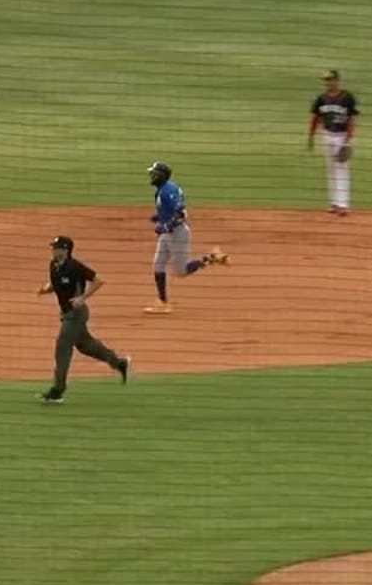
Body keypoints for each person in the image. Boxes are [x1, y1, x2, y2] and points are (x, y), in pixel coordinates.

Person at [36, 236, 129, 404]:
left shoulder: (74, 267)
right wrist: (46, 290)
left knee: (62, 348)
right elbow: (55, 284)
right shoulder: (54, 265)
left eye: (56, 247)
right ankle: (118, 363)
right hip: (67, 314)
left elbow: (98, 281)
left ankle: (58, 391)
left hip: (76, 314)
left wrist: (83, 298)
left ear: (65, 249)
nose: (53, 250)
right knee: (86, 345)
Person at [144, 161, 229, 315]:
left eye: (154, 173)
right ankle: (162, 302)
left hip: (178, 234)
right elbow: (171, 211)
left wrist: (166, 226)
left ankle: (211, 257)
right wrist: (160, 218)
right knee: (158, 265)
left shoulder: (167, 192)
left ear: (160, 176)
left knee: (181, 272)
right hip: (169, 234)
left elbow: (180, 214)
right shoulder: (163, 189)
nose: (151, 175)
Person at [307, 70, 359, 216]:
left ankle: (343, 205)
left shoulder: (347, 97)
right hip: (327, 135)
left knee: (341, 169)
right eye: (326, 80)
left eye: (330, 80)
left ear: (337, 80)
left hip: (341, 136)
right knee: (330, 170)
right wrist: (311, 136)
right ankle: (334, 203)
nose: (328, 83)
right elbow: (315, 118)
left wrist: (349, 140)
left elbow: (352, 120)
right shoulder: (321, 98)